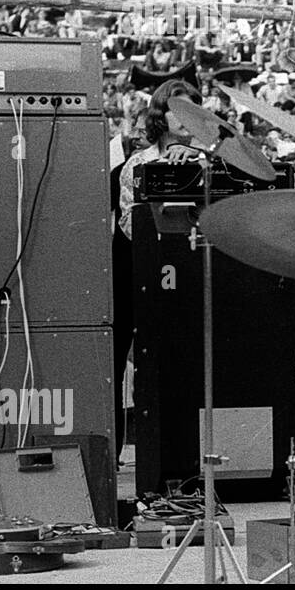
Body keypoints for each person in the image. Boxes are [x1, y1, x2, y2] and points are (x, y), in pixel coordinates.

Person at [113, 79, 203, 463]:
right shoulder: (138, 164)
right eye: (177, 110)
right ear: (160, 116)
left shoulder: (208, 162)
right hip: (141, 277)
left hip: (190, 280)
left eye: (193, 111)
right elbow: (132, 226)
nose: (185, 120)